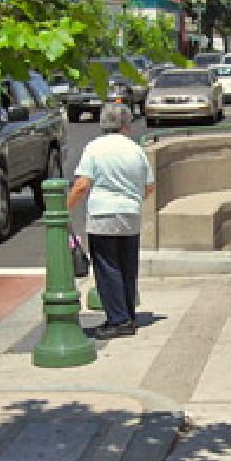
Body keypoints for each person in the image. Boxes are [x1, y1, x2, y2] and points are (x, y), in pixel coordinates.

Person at [66, 103, 154, 339]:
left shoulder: (94, 148)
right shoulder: (136, 150)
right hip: (130, 214)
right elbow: (149, 186)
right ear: (126, 124)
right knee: (127, 266)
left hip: (103, 214)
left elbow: (82, 184)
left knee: (107, 267)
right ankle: (128, 313)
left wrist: (63, 208)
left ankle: (118, 319)